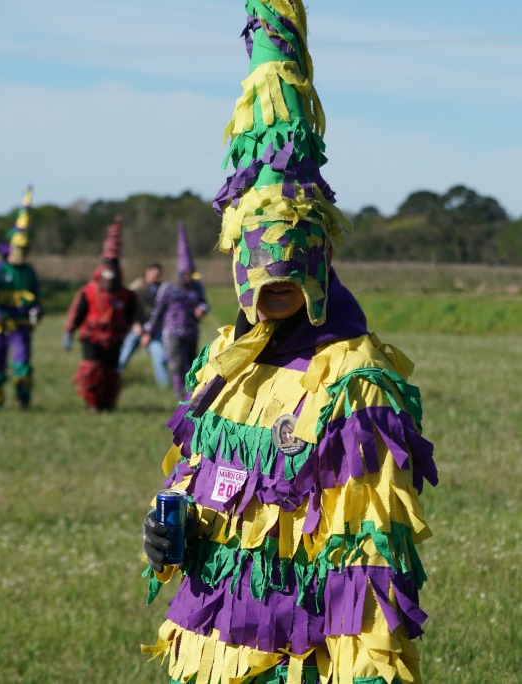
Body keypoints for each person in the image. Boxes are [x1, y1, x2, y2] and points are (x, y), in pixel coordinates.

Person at [140, 3, 439, 683]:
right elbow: (204, 488)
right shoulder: (221, 364)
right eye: (258, 257)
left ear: (321, 256)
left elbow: (369, 558)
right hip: (213, 642)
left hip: (300, 655)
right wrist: (168, 537)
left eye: (292, 256)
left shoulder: (354, 380)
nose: (274, 276)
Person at [0, 186, 41, 409]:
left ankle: (24, 399)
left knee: (22, 363)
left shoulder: (29, 272)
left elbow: (36, 298)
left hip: (21, 326)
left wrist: (36, 310)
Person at [63, 215, 137, 412]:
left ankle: (107, 402)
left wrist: (137, 330)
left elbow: (132, 317)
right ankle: (92, 402)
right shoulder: (88, 292)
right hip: (92, 338)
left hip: (115, 338)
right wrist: (68, 332)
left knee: (110, 372)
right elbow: (76, 313)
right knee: (92, 369)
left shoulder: (126, 295)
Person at [141, 222, 210, 397]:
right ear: (180, 273)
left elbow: (204, 303)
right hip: (172, 332)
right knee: (177, 363)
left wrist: (202, 309)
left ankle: (191, 392)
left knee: (191, 364)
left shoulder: (197, 287)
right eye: (186, 274)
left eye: (191, 274)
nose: (189, 278)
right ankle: (179, 393)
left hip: (191, 331)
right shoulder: (167, 288)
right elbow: (157, 311)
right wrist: (148, 331)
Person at [117, 262, 169, 387]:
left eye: (159, 274)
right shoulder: (136, 288)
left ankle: (164, 386)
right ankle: (113, 379)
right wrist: (134, 325)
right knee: (123, 356)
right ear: (147, 273)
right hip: (137, 328)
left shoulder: (162, 288)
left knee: (160, 356)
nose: (157, 277)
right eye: (154, 274)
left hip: (154, 330)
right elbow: (127, 309)